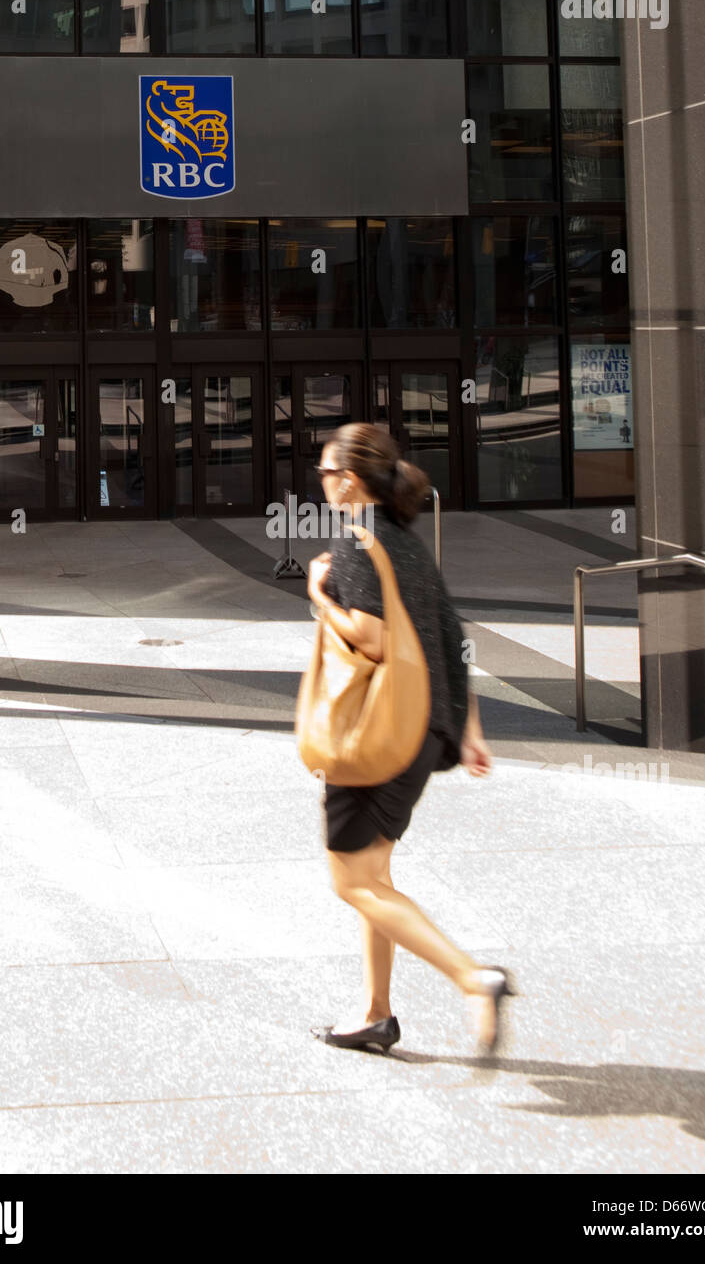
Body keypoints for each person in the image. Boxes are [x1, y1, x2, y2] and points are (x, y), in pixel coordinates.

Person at [305, 423, 516, 1057]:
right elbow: (452, 636)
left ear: (348, 480)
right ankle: (374, 1013)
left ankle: (473, 979)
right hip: (423, 732)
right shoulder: (407, 543)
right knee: (378, 870)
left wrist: (320, 596)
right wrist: (468, 729)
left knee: (352, 883)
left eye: (323, 472)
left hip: (377, 735)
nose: (319, 483)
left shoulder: (357, 544)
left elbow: (368, 639)